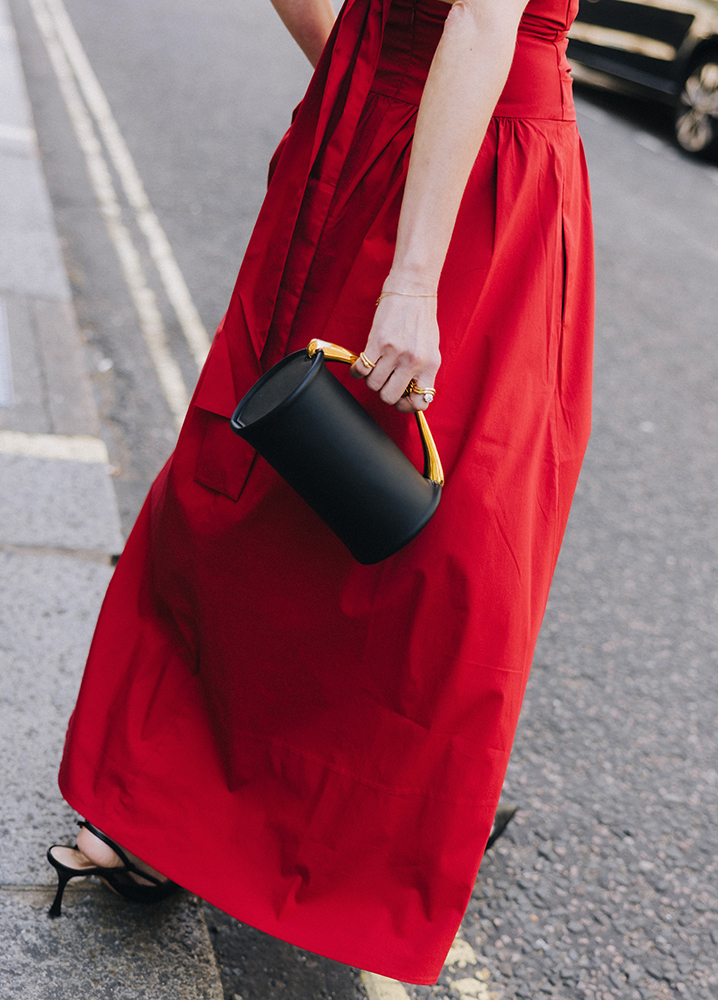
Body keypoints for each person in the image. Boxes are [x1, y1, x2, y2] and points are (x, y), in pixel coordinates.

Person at [46, 0, 593, 985]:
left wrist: (379, 81)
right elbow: (480, 20)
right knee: (441, 530)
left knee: (282, 482)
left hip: (375, 133)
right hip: (473, 176)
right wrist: (413, 277)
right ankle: (364, 822)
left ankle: (162, 810)